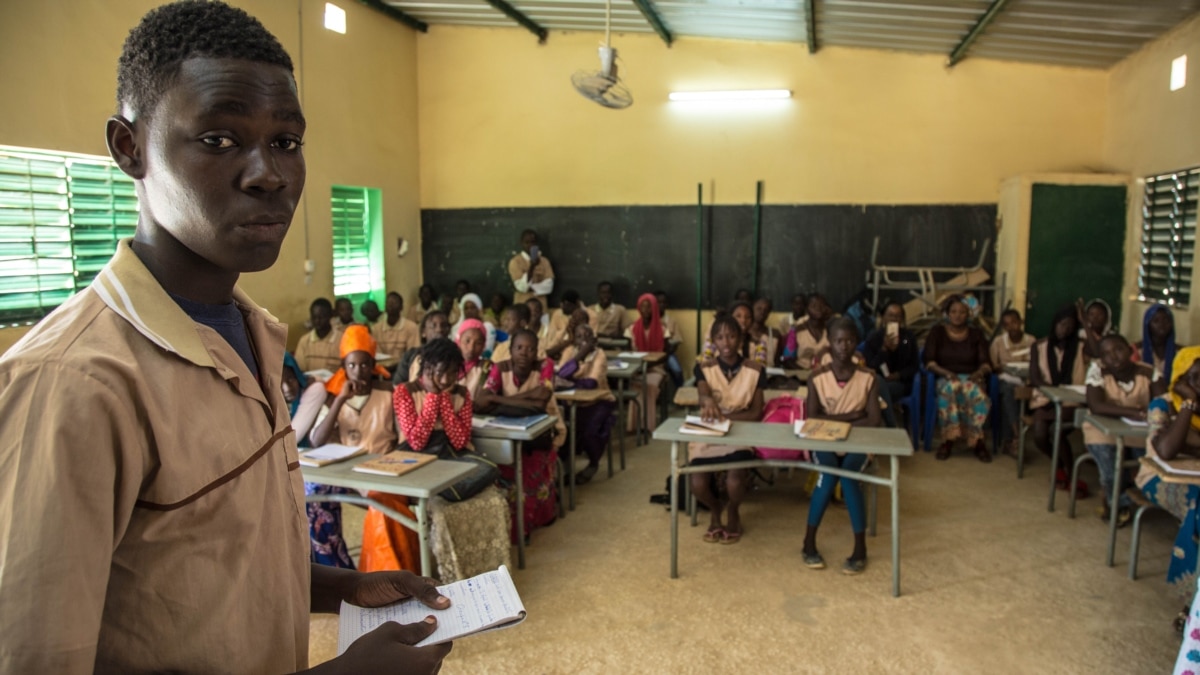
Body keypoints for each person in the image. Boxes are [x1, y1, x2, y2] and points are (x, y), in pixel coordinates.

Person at [0, 3, 452, 672]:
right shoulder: (73, 381)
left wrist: (338, 585)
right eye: (218, 139)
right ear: (130, 148)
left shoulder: (251, 336)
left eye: (286, 142)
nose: (268, 172)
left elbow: (207, 563)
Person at [803, 318, 881, 575]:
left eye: (849, 340)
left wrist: (836, 420)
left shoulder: (868, 377)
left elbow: (873, 420)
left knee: (849, 477)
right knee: (827, 473)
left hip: (858, 440)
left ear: (856, 343)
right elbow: (812, 419)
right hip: (823, 439)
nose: (843, 346)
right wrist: (851, 417)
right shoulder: (816, 378)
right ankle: (808, 543)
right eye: (838, 340)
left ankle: (860, 548)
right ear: (830, 343)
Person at [477, 330, 566, 538]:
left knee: (530, 464)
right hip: (508, 433)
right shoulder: (499, 368)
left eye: (530, 349)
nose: (524, 353)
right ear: (510, 351)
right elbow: (482, 400)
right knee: (501, 464)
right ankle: (509, 524)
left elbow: (542, 400)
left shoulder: (545, 366)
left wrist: (497, 401)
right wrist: (528, 400)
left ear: (537, 352)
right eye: (519, 348)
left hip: (543, 432)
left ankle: (529, 523)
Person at [689, 314, 766, 545]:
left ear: (741, 340)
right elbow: (703, 392)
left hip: (741, 432)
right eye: (720, 338)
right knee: (697, 484)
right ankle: (716, 508)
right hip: (710, 432)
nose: (726, 343)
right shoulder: (704, 368)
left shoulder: (756, 370)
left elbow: (755, 413)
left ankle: (733, 510)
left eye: (732, 337)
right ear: (713, 341)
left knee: (734, 482)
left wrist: (724, 417)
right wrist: (707, 400)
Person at [1142, 348, 1200, 617]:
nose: (1199, 384)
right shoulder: (1162, 404)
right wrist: (1188, 403)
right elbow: (1165, 450)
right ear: (1180, 378)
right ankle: (1190, 604)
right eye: (1194, 377)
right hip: (1156, 478)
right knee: (1196, 506)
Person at [1083, 335, 1159, 524]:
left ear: (1130, 350)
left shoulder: (1149, 372)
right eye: (1106, 354)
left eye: (1118, 349)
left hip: (1138, 432)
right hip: (1102, 430)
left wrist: (1151, 414)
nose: (1114, 357)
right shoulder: (1098, 371)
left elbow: (1162, 403)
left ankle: (1114, 501)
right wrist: (1131, 411)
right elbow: (1096, 406)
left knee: (1146, 471)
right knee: (1110, 472)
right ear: (1101, 358)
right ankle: (1117, 500)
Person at [924, 295, 992, 462]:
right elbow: (929, 361)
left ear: (968, 314)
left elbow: (986, 363)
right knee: (950, 390)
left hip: (970, 377)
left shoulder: (976, 334)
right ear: (947, 313)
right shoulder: (937, 332)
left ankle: (977, 440)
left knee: (978, 395)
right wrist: (946, 373)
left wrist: (978, 374)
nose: (957, 315)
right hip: (945, 377)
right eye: (953, 311)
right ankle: (948, 440)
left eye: (962, 312)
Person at [1029, 305, 1088, 488]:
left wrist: (1084, 321)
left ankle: (1071, 475)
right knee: (1039, 435)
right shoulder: (1039, 346)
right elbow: (1035, 377)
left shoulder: (1081, 347)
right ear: (1055, 324)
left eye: (1071, 325)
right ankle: (1059, 466)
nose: (1066, 329)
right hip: (1046, 399)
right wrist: (1053, 392)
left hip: (1072, 401)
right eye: (1062, 324)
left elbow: (1099, 350)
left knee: (1057, 430)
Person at [556, 323, 617, 485]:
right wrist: (578, 357)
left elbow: (591, 383)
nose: (583, 341)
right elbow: (560, 374)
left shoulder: (600, 355)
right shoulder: (569, 352)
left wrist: (569, 382)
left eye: (587, 337)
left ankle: (593, 463)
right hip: (574, 402)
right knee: (563, 429)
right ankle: (565, 469)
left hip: (599, 401)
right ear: (574, 339)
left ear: (594, 341)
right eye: (579, 337)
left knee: (590, 431)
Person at [861, 301, 919, 428]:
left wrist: (898, 375)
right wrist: (884, 350)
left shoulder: (908, 338)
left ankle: (886, 426)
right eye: (890, 315)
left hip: (901, 383)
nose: (894, 319)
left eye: (898, 316)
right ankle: (891, 426)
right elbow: (869, 366)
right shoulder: (874, 337)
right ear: (883, 318)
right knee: (878, 382)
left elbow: (914, 366)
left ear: (902, 319)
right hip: (876, 382)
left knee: (876, 392)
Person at [989, 309, 1036, 455]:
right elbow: (992, 366)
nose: (1012, 327)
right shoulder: (998, 342)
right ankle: (1017, 435)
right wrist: (1003, 367)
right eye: (1007, 325)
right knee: (1009, 391)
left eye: (1015, 323)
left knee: (1011, 397)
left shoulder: (1031, 341)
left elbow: (1037, 365)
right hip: (1006, 379)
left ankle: (1009, 441)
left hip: (1027, 381)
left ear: (1021, 322)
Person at [623, 293, 670, 432]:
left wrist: (649, 365)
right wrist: (638, 366)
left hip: (656, 368)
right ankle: (634, 425)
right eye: (642, 307)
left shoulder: (662, 330)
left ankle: (647, 426)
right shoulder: (631, 329)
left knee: (649, 385)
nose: (645, 311)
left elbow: (664, 355)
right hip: (637, 368)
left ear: (654, 309)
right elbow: (628, 353)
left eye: (649, 307)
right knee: (636, 385)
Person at [394, 309, 450, 386]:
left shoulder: (454, 356)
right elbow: (398, 385)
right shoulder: (411, 355)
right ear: (423, 332)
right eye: (433, 326)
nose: (439, 330)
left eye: (443, 326)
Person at [706, 301, 767, 366]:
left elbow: (760, 369)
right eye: (738, 316)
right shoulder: (715, 340)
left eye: (748, 317)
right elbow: (705, 363)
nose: (743, 320)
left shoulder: (758, 343)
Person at [782, 293, 831, 369]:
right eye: (814, 306)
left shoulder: (831, 330)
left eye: (822, 305)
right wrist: (804, 374)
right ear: (807, 309)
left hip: (825, 375)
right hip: (801, 373)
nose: (818, 308)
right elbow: (787, 360)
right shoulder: (796, 330)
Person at [508, 229, 554, 309]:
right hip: (522, 308)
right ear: (521, 243)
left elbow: (549, 287)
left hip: (541, 307)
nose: (530, 246)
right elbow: (522, 287)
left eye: (533, 242)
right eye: (527, 242)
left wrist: (531, 287)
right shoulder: (515, 262)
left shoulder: (544, 261)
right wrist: (532, 266)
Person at [295, 297, 343, 373]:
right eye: (314, 317)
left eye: (321, 317)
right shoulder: (304, 341)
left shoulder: (342, 339)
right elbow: (300, 370)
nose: (317, 321)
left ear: (330, 315)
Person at [1134, 303, 1176, 381]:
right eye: (1156, 321)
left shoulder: (1180, 352)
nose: (1162, 324)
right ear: (1147, 325)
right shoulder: (1136, 350)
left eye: (1166, 320)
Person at [375, 291, 420, 361]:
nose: (391, 306)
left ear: (401, 307)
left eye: (394, 303)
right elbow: (377, 353)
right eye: (388, 303)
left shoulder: (411, 327)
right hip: (382, 367)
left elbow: (413, 354)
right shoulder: (376, 329)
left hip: (404, 368)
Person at [456, 319, 493, 402]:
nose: (471, 348)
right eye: (467, 341)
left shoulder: (486, 367)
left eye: (478, 343)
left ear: (483, 345)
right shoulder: (447, 364)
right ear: (459, 340)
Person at [655, 290, 685, 387]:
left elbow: (677, 340)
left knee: (677, 370)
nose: (661, 305)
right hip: (651, 353)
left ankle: (680, 393)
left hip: (667, 354)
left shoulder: (671, 321)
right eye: (658, 302)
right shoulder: (648, 320)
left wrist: (668, 352)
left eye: (664, 302)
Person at [752, 297, 784, 366]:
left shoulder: (774, 334)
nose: (762, 312)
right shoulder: (744, 333)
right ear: (752, 309)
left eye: (766, 310)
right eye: (759, 308)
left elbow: (777, 361)